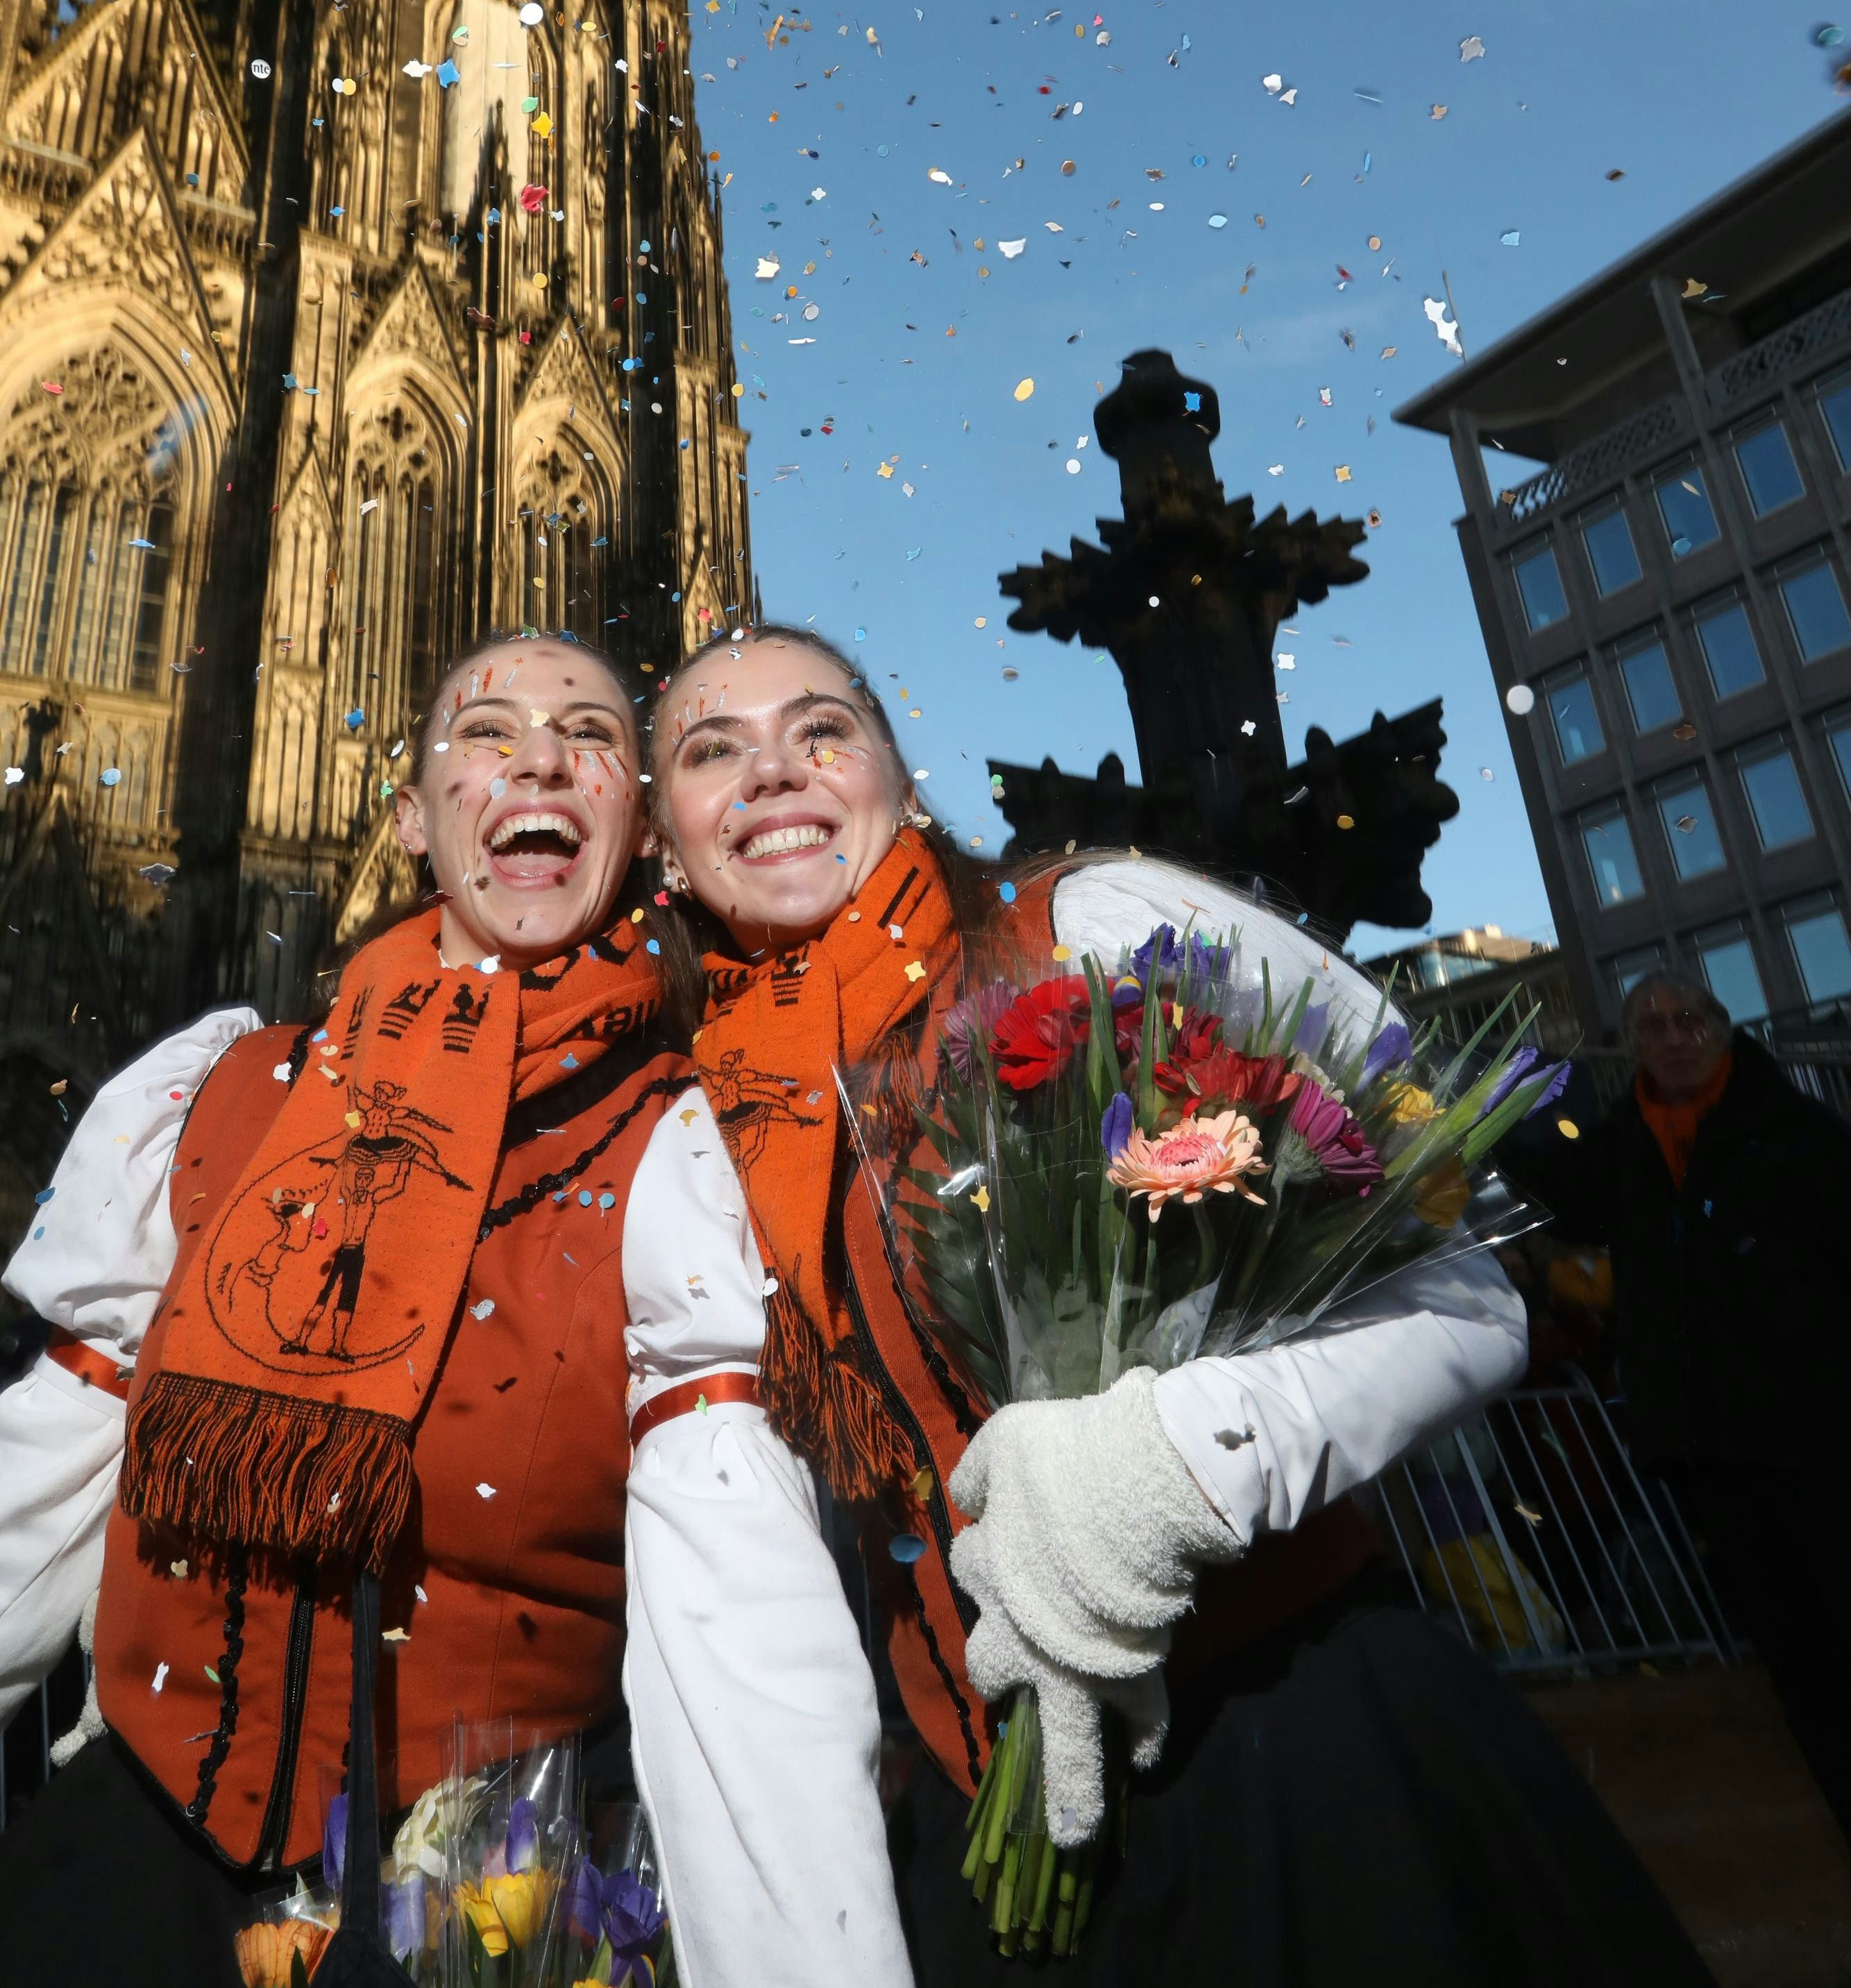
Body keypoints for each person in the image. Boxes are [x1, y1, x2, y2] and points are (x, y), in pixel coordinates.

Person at [625, 621, 1711, 1988]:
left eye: (821, 730)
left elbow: (1458, 1271)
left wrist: (1181, 1458)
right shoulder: (692, 1136)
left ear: (897, 775)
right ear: (662, 839)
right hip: (994, 1845)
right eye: (714, 750)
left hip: (1297, 1753)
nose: (776, 771)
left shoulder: (1087, 921)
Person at [0, 630, 692, 1983]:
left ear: (649, 828)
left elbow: (736, 1593)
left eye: (591, 734)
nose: (537, 756)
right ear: (407, 819)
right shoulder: (224, 1089)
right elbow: (47, 1466)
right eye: (483, 730)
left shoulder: (683, 1152)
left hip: (484, 1897)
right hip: (140, 1851)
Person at [1504, 968, 1851, 1838]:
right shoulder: (1622, 1150)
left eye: (1687, 1018)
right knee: (1796, 1665)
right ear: (1633, 1046)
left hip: (1818, 1435)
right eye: (1651, 1024)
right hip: (1709, 1454)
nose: (1671, 1034)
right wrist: (1481, 1120)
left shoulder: (1799, 1132)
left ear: (1721, 1027)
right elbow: (1561, 1196)